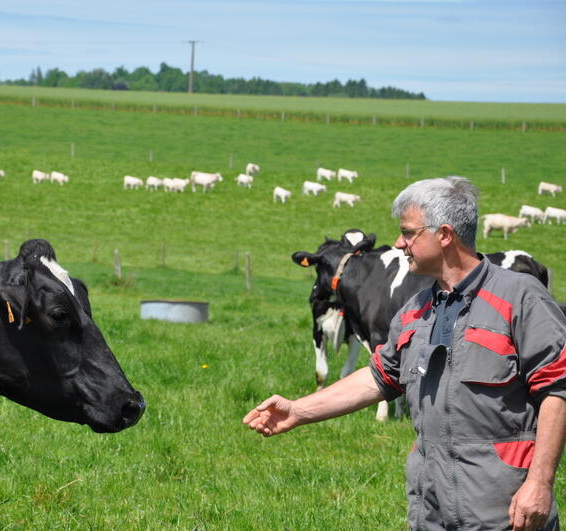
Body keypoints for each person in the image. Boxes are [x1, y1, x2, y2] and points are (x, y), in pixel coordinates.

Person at [243, 177, 566, 531]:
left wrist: (540, 483)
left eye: (408, 233)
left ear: (444, 235)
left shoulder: (520, 298)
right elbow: (379, 377)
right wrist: (299, 411)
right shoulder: (416, 311)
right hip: (431, 511)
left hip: (504, 512)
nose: (398, 243)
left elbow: (558, 390)